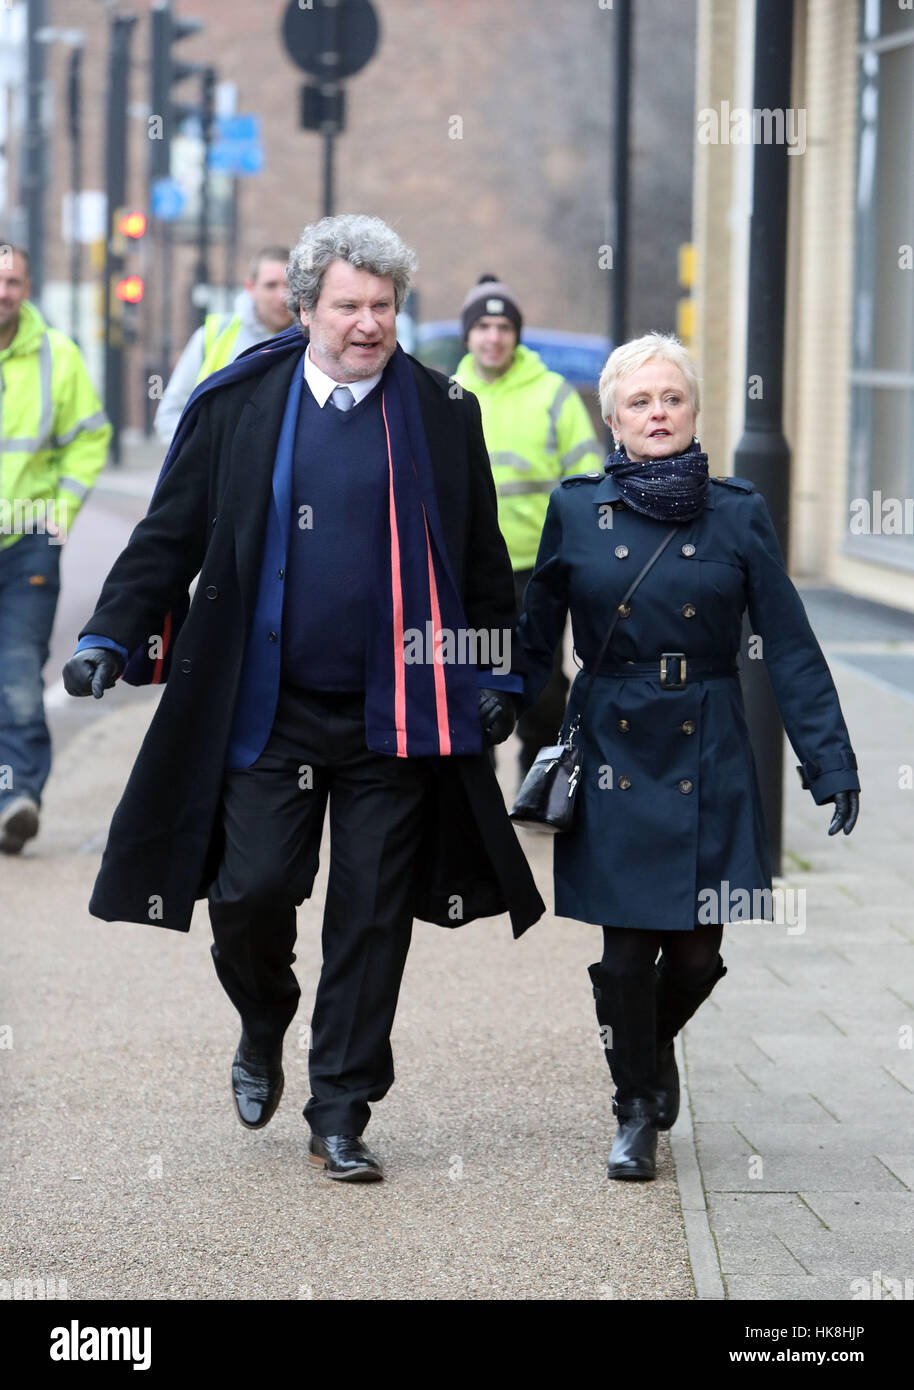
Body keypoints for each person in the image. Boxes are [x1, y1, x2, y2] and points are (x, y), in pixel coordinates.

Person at [63, 215, 544, 1183]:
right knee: (248, 893)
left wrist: (494, 672)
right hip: (267, 709)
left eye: (383, 306)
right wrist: (108, 634)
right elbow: (169, 533)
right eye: (349, 306)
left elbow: (479, 559)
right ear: (305, 308)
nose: (368, 324)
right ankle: (264, 1013)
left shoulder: (441, 410)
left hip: (392, 712)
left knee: (371, 914)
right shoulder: (242, 402)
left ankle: (340, 1109)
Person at [515, 331, 859, 1181]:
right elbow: (536, 628)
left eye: (672, 398)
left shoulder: (737, 511)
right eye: (640, 402)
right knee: (628, 948)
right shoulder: (578, 508)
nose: (658, 413)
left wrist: (829, 760)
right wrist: (499, 701)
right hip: (614, 735)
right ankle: (635, 1108)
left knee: (700, 951)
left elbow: (788, 642)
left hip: (709, 733)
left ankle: (644, 1041)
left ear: (695, 411)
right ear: (614, 419)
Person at [452, 276, 602, 780]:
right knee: (477, 682)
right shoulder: (448, 394)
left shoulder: (553, 394)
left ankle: (539, 790)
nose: (493, 337)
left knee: (542, 687)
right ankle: (478, 793)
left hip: (539, 570)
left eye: (503, 327)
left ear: (516, 334)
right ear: (468, 334)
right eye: (483, 326)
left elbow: (587, 481)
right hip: (470, 575)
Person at [0, 244, 111, 854]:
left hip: (28, 545)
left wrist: (58, 515)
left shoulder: (56, 356)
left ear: (27, 287)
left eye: (13, 281)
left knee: (18, 672)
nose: (3, 292)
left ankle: (15, 798)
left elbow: (90, 438)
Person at [153, 245, 292, 445]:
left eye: (289, 285)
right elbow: (169, 414)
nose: (282, 296)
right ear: (250, 288)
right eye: (271, 285)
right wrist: (205, 453)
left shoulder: (313, 342)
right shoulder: (213, 335)